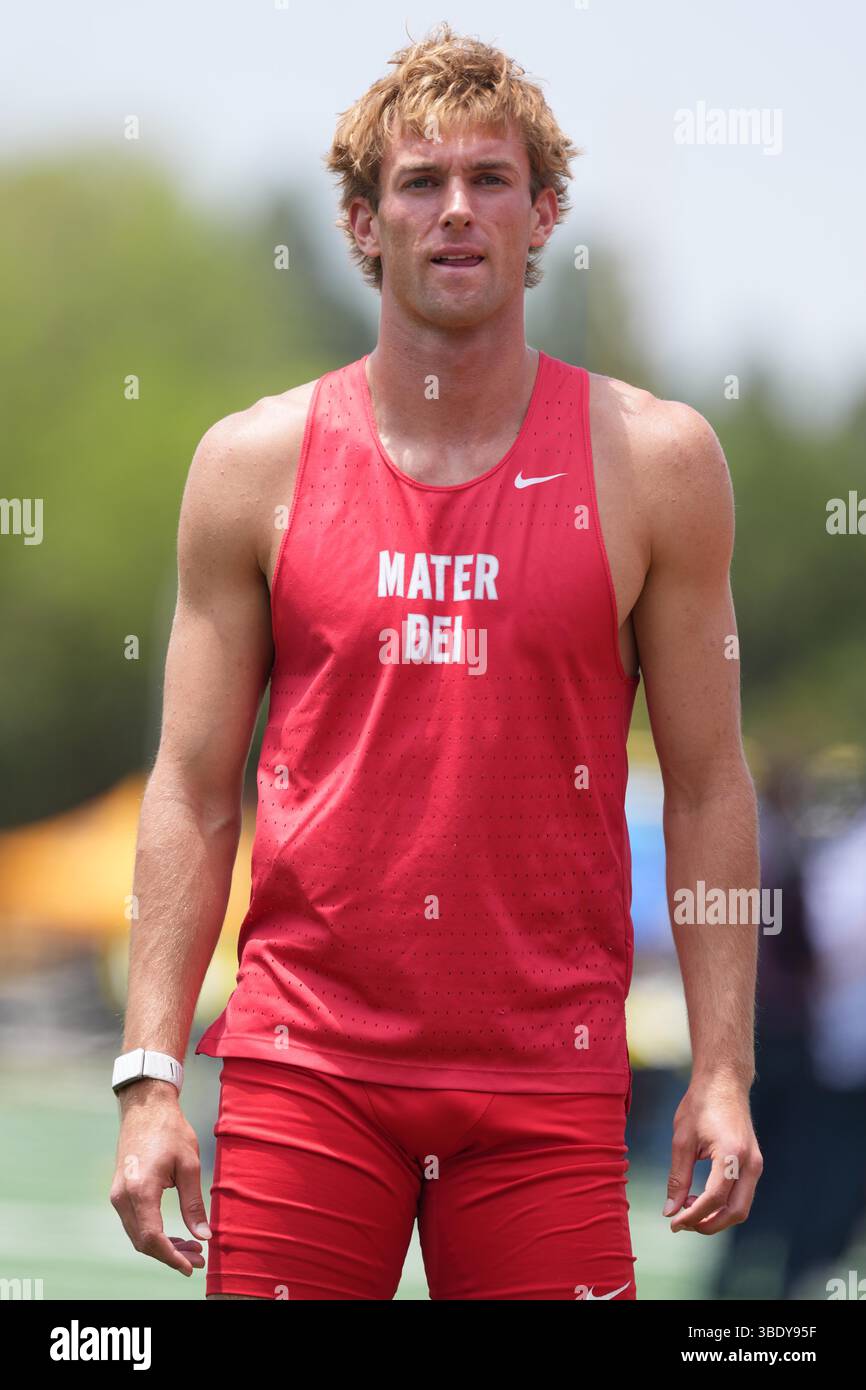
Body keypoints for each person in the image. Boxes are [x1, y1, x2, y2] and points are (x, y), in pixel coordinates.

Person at [110, 23, 763, 1300]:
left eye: (489, 180)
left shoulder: (657, 463)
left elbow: (706, 782)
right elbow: (189, 787)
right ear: (361, 225)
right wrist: (147, 1073)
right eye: (417, 184)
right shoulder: (252, 464)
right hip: (308, 1070)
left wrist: (724, 1066)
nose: (454, 211)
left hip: (545, 1079)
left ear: (542, 214)